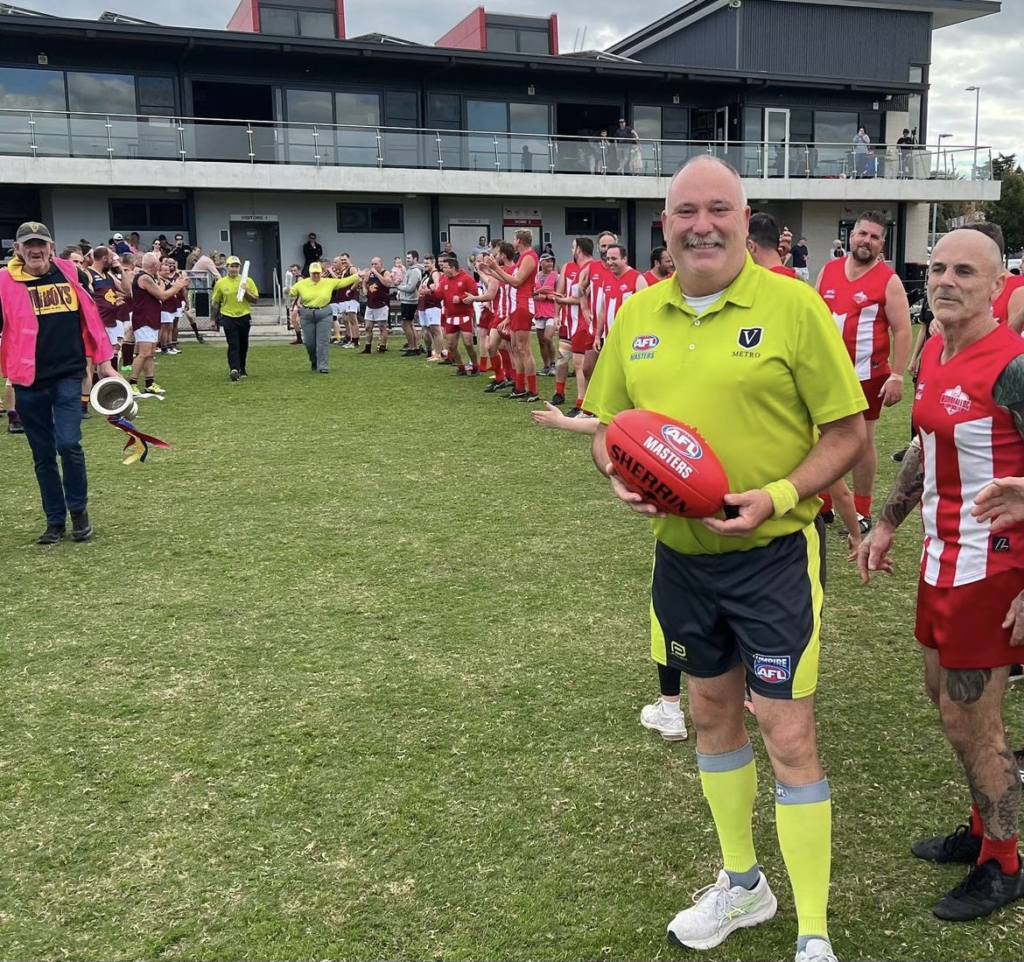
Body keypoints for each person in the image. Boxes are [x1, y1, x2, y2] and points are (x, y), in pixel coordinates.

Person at [585, 156, 867, 962]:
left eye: (719, 209)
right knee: (709, 715)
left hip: (773, 557)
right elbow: (609, 428)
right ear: (664, 225)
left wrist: (777, 496)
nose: (701, 223)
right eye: (685, 211)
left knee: (786, 732)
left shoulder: (793, 307)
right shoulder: (637, 313)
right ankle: (743, 885)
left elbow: (846, 431)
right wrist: (617, 477)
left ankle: (813, 931)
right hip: (681, 559)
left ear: (746, 221)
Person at [858, 228, 1024, 922]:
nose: (946, 280)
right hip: (940, 560)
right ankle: (985, 826)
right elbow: (925, 446)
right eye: (937, 267)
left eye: (965, 270)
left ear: (997, 286)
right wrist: (890, 521)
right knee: (945, 703)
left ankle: (1005, 863)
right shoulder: (932, 349)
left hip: (995, 568)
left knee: (972, 724)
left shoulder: (1014, 365)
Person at [0, 221, 120, 544]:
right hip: (27, 381)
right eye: (28, 245)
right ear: (17, 250)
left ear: (51, 247)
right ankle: (55, 521)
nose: (35, 249)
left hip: (67, 375)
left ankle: (79, 511)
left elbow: (91, 316)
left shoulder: (71, 273)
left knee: (68, 443)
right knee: (42, 453)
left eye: (41, 243)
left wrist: (104, 362)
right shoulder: (4, 282)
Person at [816, 211, 912, 536]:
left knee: (861, 442)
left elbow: (902, 329)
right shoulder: (828, 271)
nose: (866, 241)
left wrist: (897, 375)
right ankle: (825, 504)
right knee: (822, 438)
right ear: (850, 236)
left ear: (881, 244)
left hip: (867, 375)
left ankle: (861, 508)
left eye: (874, 237)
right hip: (827, 373)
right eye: (862, 234)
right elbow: (814, 318)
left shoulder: (888, 279)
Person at [288, 261, 361, 374]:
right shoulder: (302, 283)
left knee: (323, 341)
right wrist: (287, 290)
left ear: (321, 273)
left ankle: (323, 366)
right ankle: (314, 360)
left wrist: (358, 275)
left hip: (324, 313)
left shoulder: (328, 282)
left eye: (318, 273)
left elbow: (342, 282)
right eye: (313, 273)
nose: (316, 275)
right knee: (309, 342)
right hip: (307, 314)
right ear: (310, 273)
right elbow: (292, 292)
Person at [210, 255, 258, 381]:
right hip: (228, 316)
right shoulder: (221, 283)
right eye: (232, 266)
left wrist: (246, 291)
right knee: (233, 344)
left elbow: (255, 300)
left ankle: (242, 368)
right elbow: (215, 302)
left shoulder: (247, 280)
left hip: (244, 316)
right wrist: (212, 319)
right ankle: (234, 369)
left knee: (243, 344)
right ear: (227, 267)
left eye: (236, 267)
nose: (234, 269)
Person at [360, 257, 392, 354]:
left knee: (382, 326)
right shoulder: (370, 274)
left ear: (381, 264)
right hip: (370, 304)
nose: (373, 266)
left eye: (376, 264)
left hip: (381, 304)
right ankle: (368, 346)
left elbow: (387, 283)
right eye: (372, 264)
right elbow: (365, 284)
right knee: (368, 327)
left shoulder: (385, 272)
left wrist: (377, 274)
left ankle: (382, 346)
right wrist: (365, 284)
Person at [396, 251, 423, 356]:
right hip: (407, 300)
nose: (407, 260)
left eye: (409, 258)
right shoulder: (410, 270)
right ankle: (415, 347)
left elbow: (411, 287)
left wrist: (399, 287)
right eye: (406, 258)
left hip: (410, 301)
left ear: (415, 258)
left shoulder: (415, 271)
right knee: (408, 324)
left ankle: (412, 347)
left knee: (406, 324)